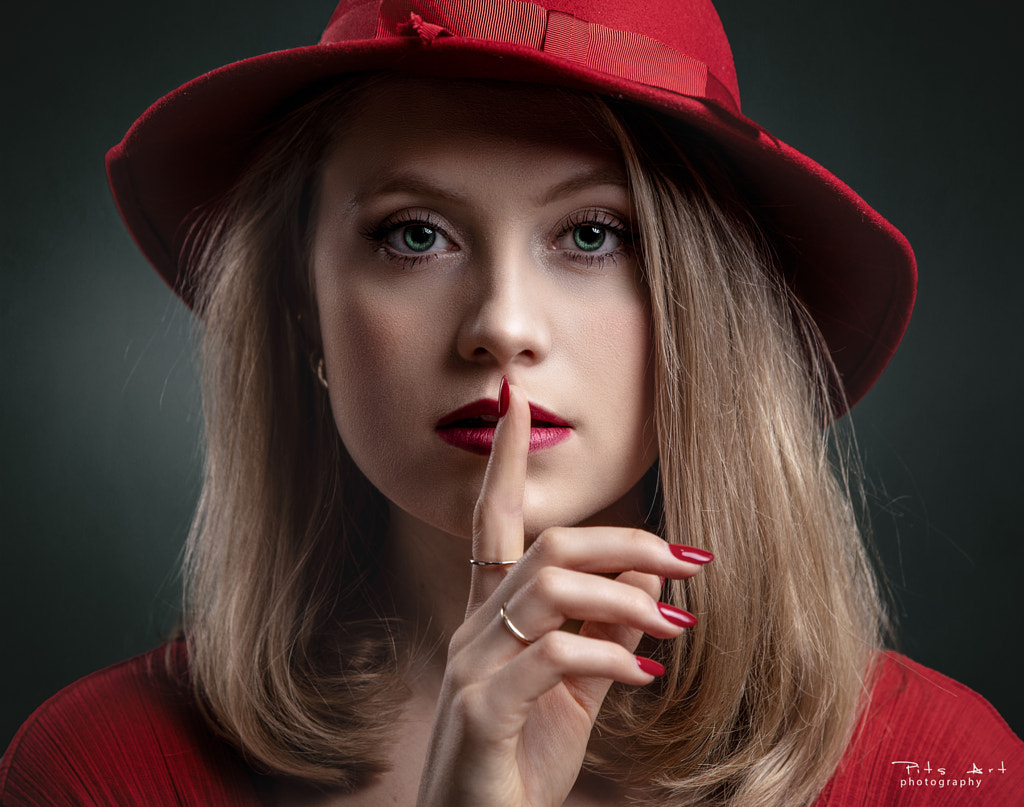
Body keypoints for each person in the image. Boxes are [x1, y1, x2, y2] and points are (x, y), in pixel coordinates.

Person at [2, 0, 1022, 804]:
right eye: (412, 234)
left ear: (704, 314)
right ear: (302, 316)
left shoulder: (934, 773)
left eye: (592, 235)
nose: (502, 324)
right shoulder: (101, 773)